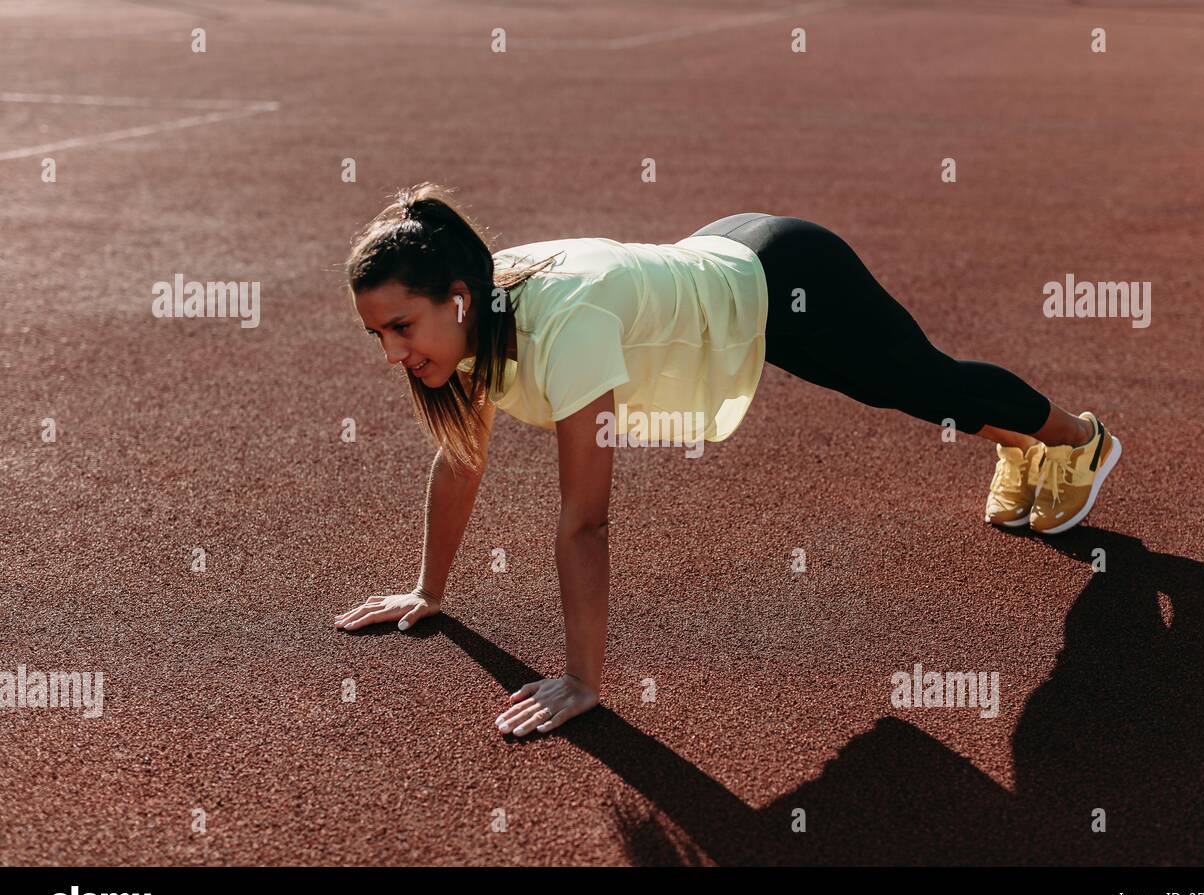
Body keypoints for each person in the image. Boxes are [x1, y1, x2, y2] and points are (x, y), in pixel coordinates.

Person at [334, 184, 1121, 737]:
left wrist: (581, 681)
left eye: (401, 326)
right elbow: (461, 460)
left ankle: (1076, 440)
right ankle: (1029, 448)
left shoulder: (557, 327)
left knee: (922, 385)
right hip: (728, 263)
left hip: (789, 277)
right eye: (379, 335)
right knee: (903, 389)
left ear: (458, 297)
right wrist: (427, 589)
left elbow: (585, 522)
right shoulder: (473, 314)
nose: (392, 352)